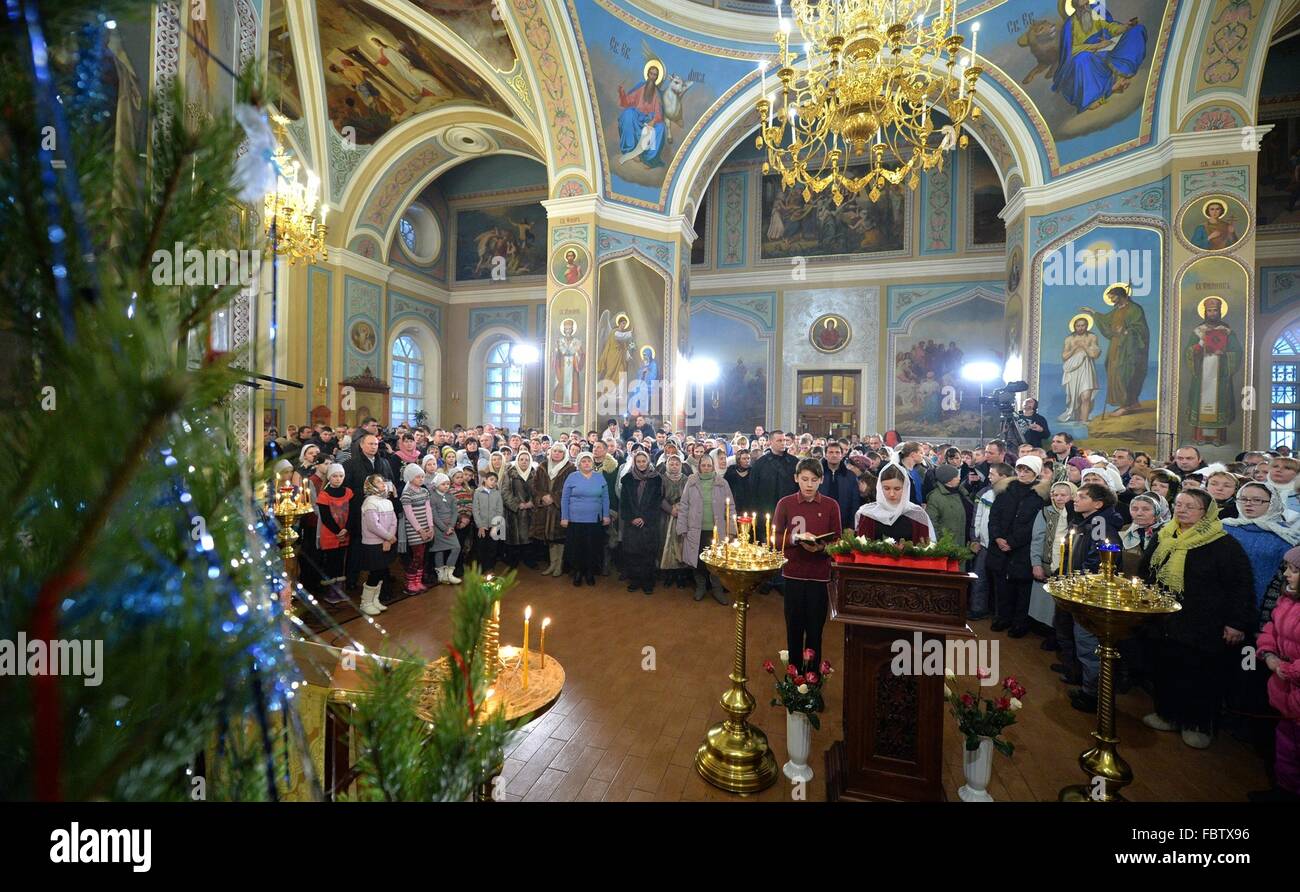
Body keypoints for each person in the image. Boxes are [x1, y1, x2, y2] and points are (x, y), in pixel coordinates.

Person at [1139, 490, 1256, 749]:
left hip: (1203, 621)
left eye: (1190, 507)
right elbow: (1146, 571)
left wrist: (1236, 622)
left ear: (1206, 513)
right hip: (1165, 618)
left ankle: (1197, 724)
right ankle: (1167, 714)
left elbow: (1240, 585)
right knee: (1166, 668)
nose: (1182, 510)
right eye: (1178, 505)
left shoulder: (1222, 543)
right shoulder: (1164, 536)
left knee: (1199, 674)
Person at [774, 459, 842, 670]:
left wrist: (822, 547)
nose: (809, 484)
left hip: (819, 576)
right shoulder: (785, 503)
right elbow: (774, 538)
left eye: (814, 480)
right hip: (793, 573)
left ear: (821, 480)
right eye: (804, 479)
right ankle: (794, 676)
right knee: (793, 629)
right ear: (796, 478)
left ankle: (812, 677)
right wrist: (795, 539)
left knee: (815, 631)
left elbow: (838, 542)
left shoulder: (831, 505)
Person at [1062, 482, 1125, 712]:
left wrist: (1081, 580)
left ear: (1098, 504)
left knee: (1089, 644)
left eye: (1081, 497)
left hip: (1091, 592)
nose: (1075, 500)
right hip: (1085, 587)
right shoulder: (1090, 521)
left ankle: (1095, 696)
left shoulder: (1099, 523)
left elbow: (1100, 558)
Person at [1251, 547, 1300, 802]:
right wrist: (1268, 653)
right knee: (1287, 745)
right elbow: (1272, 627)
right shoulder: (1288, 598)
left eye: (1294, 570)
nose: (1287, 575)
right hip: (1286, 688)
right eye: (1287, 569)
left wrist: (1290, 669)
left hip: (1292, 679)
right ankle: (1285, 791)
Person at [987, 456, 1050, 638]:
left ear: (1035, 472)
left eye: (1027, 470)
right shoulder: (1005, 490)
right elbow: (994, 517)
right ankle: (1003, 618)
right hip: (1000, 546)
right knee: (1002, 586)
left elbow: (1034, 525)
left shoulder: (1039, 495)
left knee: (1022, 588)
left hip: (1023, 549)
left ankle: (1019, 623)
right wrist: (998, 537)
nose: (1022, 474)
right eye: (1020, 469)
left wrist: (1013, 542)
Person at [1223, 482, 1300, 610]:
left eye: (1257, 500)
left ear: (1272, 503)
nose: (1248, 503)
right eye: (1243, 499)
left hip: (1267, 601)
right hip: (1222, 597)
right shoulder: (1223, 528)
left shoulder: (1286, 535)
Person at [677, 453, 735, 603]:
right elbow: (684, 506)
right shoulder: (691, 482)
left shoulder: (722, 483)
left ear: (713, 466)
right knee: (698, 561)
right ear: (699, 467)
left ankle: (717, 589)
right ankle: (700, 587)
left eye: (709, 465)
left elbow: (731, 508)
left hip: (717, 530)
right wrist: (682, 527)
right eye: (704, 465)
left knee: (716, 562)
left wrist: (732, 529)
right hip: (696, 529)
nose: (707, 468)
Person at [969, 463, 1013, 621]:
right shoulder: (985, 493)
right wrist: (975, 538)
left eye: (992, 474)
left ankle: (999, 613)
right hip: (984, 545)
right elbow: (977, 517)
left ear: (1004, 477)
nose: (989, 477)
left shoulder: (1013, 494)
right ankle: (978, 608)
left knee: (1000, 583)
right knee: (979, 578)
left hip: (1003, 547)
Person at [561, 452, 611, 587]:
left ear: (592, 462)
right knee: (577, 547)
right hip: (575, 519)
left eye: (589, 461)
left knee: (592, 547)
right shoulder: (572, 477)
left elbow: (606, 498)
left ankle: (589, 572)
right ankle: (577, 572)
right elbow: (564, 498)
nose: (587, 463)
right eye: (583, 461)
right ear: (579, 463)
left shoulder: (599, 477)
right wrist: (564, 517)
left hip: (594, 519)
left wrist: (606, 515)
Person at [854, 464, 936, 542]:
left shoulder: (917, 514)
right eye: (886, 488)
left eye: (897, 489)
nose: (891, 494)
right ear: (879, 487)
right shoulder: (868, 514)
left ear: (905, 488)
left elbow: (925, 548)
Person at [620, 450, 663, 595]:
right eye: (638, 461)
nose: (641, 464)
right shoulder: (627, 478)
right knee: (633, 553)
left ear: (648, 461)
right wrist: (632, 518)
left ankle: (648, 582)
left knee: (648, 554)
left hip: (649, 523)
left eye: (643, 461)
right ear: (634, 462)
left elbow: (657, 502)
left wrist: (645, 518)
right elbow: (624, 502)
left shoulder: (656, 479)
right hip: (632, 523)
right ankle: (635, 580)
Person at [357, 475, 398, 616]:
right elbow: (373, 525)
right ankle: (366, 602)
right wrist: (388, 537)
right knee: (375, 572)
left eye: (382, 481)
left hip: (386, 542)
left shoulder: (387, 502)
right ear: (371, 486)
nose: (382, 484)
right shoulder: (369, 502)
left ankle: (375, 600)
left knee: (381, 571)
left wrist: (388, 539)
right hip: (373, 543)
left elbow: (394, 521)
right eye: (378, 482)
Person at [314, 463, 353, 605]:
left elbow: (352, 513)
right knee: (332, 562)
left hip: (345, 533)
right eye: (335, 476)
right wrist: (338, 531)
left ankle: (340, 590)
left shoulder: (348, 492)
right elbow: (326, 517)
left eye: (341, 476)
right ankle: (331, 591)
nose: (338, 479)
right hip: (331, 534)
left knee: (341, 562)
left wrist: (346, 529)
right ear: (329, 477)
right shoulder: (324, 494)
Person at [532, 444, 573, 577]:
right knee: (549, 537)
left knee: (560, 537)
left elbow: (571, 488)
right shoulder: (542, 466)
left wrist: (554, 497)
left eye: (560, 451)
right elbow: (535, 486)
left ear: (564, 453)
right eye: (554, 451)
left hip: (560, 508)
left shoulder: (570, 468)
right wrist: (543, 496)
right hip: (545, 508)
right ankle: (552, 564)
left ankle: (559, 565)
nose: (556, 453)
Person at [398, 464, 436, 593]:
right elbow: (409, 515)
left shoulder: (424, 491)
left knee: (422, 557)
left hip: (426, 528)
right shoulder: (407, 494)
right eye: (418, 477)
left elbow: (428, 510)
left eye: (422, 477)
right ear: (410, 478)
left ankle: (418, 581)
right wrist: (420, 530)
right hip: (415, 530)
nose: (421, 479)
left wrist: (431, 527)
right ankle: (409, 582)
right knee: (417, 556)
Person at [658, 454, 690, 589]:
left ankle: (681, 575)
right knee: (667, 544)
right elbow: (659, 497)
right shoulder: (662, 479)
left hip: (683, 516)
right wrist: (670, 509)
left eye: (677, 464)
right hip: (666, 516)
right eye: (671, 464)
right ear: (667, 465)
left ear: (681, 465)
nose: (674, 466)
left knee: (681, 544)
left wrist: (681, 510)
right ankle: (669, 574)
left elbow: (691, 497)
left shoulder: (687, 479)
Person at [502, 451, 538, 569]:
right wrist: (517, 505)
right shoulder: (509, 473)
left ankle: (529, 560)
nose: (524, 462)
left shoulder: (535, 473)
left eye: (526, 459)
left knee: (529, 538)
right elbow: (505, 492)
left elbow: (539, 490)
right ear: (517, 460)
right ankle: (513, 561)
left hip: (531, 511)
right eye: (521, 459)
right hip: (514, 512)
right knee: (514, 538)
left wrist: (532, 503)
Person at [925, 465, 972, 551]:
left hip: (966, 541)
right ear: (948, 480)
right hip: (949, 545)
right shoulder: (935, 497)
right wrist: (941, 543)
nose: (959, 478)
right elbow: (932, 523)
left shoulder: (961, 492)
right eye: (956, 476)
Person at [427, 472, 462, 585]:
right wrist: (444, 528)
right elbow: (434, 515)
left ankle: (449, 573)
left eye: (448, 484)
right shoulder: (433, 497)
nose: (446, 486)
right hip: (439, 528)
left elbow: (455, 512)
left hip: (450, 527)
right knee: (439, 550)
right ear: (437, 485)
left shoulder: (450, 496)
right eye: (443, 484)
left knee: (456, 547)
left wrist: (451, 526)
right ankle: (441, 575)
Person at [820, 441, 861, 531]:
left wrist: (852, 526)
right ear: (825, 455)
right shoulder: (818, 475)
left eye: (837, 452)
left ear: (842, 455)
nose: (834, 455)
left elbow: (855, 502)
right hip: (820, 520)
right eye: (830, 452)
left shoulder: (850, 476)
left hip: (844, 522)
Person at [472, 471, 505, 573]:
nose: (493, 482)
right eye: (491, 480)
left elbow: (500, 510)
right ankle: (481, 568)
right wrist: (480, 525)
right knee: (481, 548)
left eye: (495, 481)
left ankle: (490, 568)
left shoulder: (497, 494)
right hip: (481, 527)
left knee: (492, 548)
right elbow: (475, 510)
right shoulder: (478, 492)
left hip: (493, 526)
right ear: (485, 480)